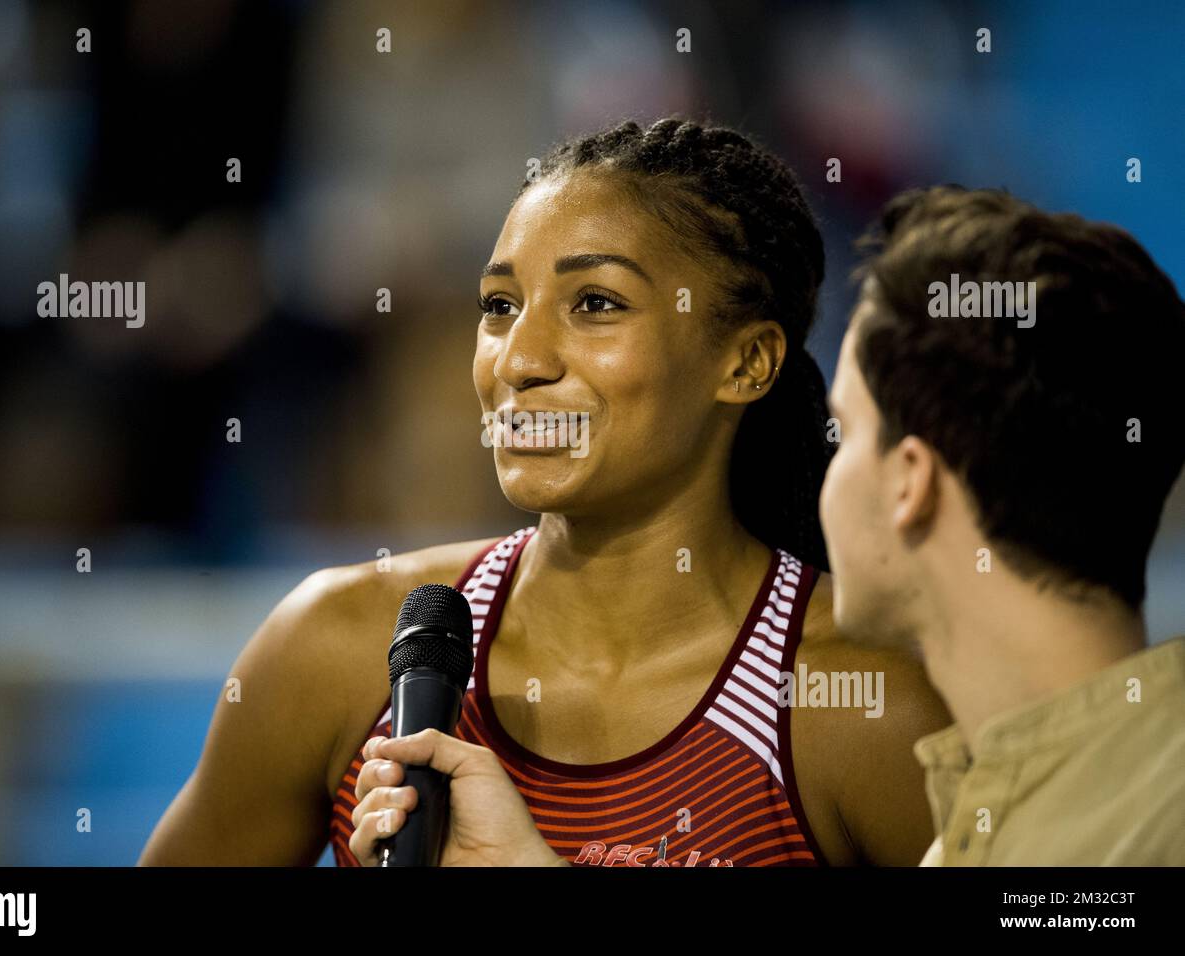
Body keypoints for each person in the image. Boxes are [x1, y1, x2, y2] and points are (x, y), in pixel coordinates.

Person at [138, 117, 951, 867]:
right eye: (499, 306)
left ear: (746, 363)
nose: (519, 359)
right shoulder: (336, 645)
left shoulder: (865, 704)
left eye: (595, 304)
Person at [353, 185, 1185, 866]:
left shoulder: (1106, 844)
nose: (819, 472)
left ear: (910, 483)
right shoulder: (1014, 818)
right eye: (498, 303)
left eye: (846, 433)